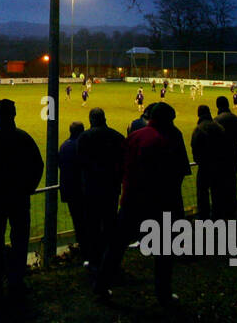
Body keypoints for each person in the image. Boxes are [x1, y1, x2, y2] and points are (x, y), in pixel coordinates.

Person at [99, 102, 190, 306]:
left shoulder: (135, 136)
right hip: (159, 202)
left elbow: (120, 166)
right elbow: (177, 172)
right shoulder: (168, 139)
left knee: (117, 245)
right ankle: (163, 294)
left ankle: (101, 285)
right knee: (164, 251)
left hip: (131, 199)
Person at [0, 99, 44, 303]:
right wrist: (29, 187)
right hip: (19, 197)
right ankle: (16, 280)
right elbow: (38, 165)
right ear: (14, 115)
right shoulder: (23, 137)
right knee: (19, 240)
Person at [79, 108, 126, 294]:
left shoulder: (85, 137)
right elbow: (124, 161)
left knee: (92, 225)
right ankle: (112, 262)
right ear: (105, 118)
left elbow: (80, 163)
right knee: (110, 224)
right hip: (111, 188)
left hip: (91, 189)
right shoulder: (117, 136)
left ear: (91, 119)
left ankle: (94, 262)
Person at [57, 121, 87, 261]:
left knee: (78, 221)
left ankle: (84, 249)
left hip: (70, 191)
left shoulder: (64, 146)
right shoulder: (85, 145)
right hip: (85, 190)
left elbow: (60, 165)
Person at [190, 104, 227, 218]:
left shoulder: (199, 128)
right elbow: (225, 144)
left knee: (202, 192)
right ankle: (219, 214)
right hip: (219, 163)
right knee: (218, 190)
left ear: (199, 114)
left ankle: (204, 216)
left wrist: (199, 159)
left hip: (204, 165)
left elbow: (194, 145)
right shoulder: (218, 126)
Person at [213, 96, 237, 217]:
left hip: (221, 155)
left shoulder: (217, 120)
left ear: (217, 106)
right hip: (234, 153)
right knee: (232, 179)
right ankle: (232, 207)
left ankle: (220, 210)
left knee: (219, 182)